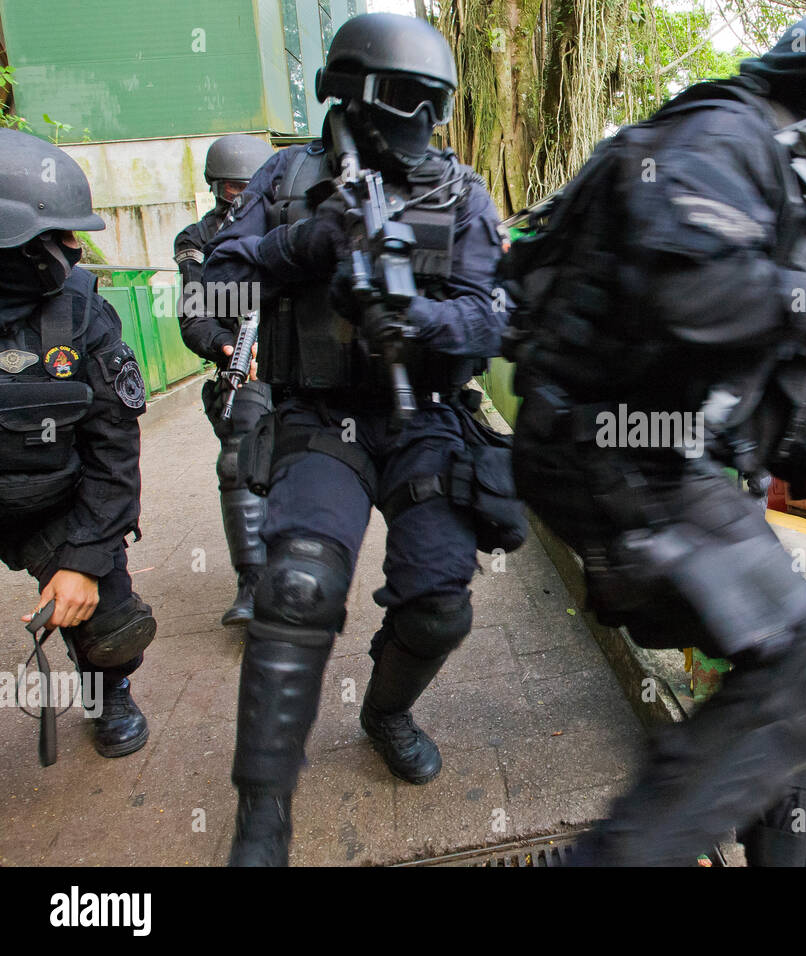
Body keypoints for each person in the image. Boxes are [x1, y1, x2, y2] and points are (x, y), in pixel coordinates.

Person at [503, 11, 806, 865]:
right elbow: (687, 290)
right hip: (612, 449)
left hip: (657, 459)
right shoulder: (723, 129)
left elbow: (761, 401)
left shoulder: (779, 191)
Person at [202, 12, 509, 865]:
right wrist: (312, 242)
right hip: (320, 416)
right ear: (352, 93)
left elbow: (491, 319)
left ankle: (385, 711)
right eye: (407, 99)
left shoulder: (462, 191)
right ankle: (262, 814)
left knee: (441, 604)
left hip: (426, 421)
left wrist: (417, 318)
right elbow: (214, 289)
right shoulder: (286, 175)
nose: (422, 122)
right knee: (297, 585)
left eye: (434, 104)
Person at [0, 128, 155, 759]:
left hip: (54, 501)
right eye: (57, 235)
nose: (74, 247)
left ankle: (108, 690)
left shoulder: (82, 313)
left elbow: (114, 449)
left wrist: (85, 558)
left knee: (114, 627)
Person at [174, 134, 276, 625]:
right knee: (239, 460)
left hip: (297, 362)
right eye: (235, 187)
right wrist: (228, 346)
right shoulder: (198, 239)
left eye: (252, 186)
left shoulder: (288, 223)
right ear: (218, 187)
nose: (243, 196)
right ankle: (252, 585)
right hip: (243, 367)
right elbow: (194, 318)